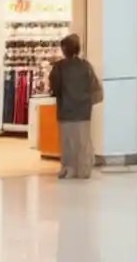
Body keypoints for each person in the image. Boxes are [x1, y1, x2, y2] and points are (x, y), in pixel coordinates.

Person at [48, 34, 103, 180]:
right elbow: (95, 88)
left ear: (64, 49)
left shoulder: (59, 67)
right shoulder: (86, 66)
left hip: (66, 111)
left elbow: (55, 87)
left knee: (68, 142)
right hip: (83, 111)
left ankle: (68, 169)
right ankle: (84, 169)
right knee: (83, 142)